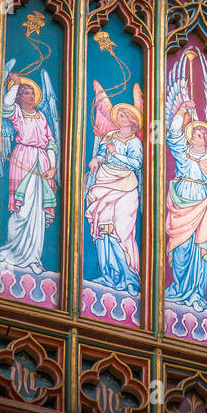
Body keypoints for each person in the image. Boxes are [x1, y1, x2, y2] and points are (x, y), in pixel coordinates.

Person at [164, 101, 207, 310]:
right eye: (194, 134)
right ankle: (179, 288)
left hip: (201, 206)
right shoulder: (183, 154)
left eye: (198, 135)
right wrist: (181, 110)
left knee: (199, 249)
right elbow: (173, 135)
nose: (193, 137)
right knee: (180, 248)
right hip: (181, 202)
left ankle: (197, 295)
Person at [0, 77, 58, 273]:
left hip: (42, 161)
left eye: (32, 93)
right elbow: (4, 105)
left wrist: (53, 167)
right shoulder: (16, 112)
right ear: (19, 97)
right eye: (26, 93)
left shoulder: (41, 116)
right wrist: (14, 85)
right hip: (23, 157)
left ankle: (33, 258)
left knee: (38, 212)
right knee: (22, 209)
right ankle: (11, 251)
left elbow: (50, 142)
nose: (30, 96)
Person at [84, 100, 143, 292]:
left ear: (133, 121)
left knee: (121, 231)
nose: (119, 117)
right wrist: (96, 159)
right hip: (105, 182)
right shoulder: (110, 135)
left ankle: (129, 276)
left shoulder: (135, 142)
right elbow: (102, 154)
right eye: (119, 114)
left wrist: (115, 154)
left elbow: (136, 164)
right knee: (103, 229)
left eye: (125, 115)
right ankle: (110, 274)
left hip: (125, 187)